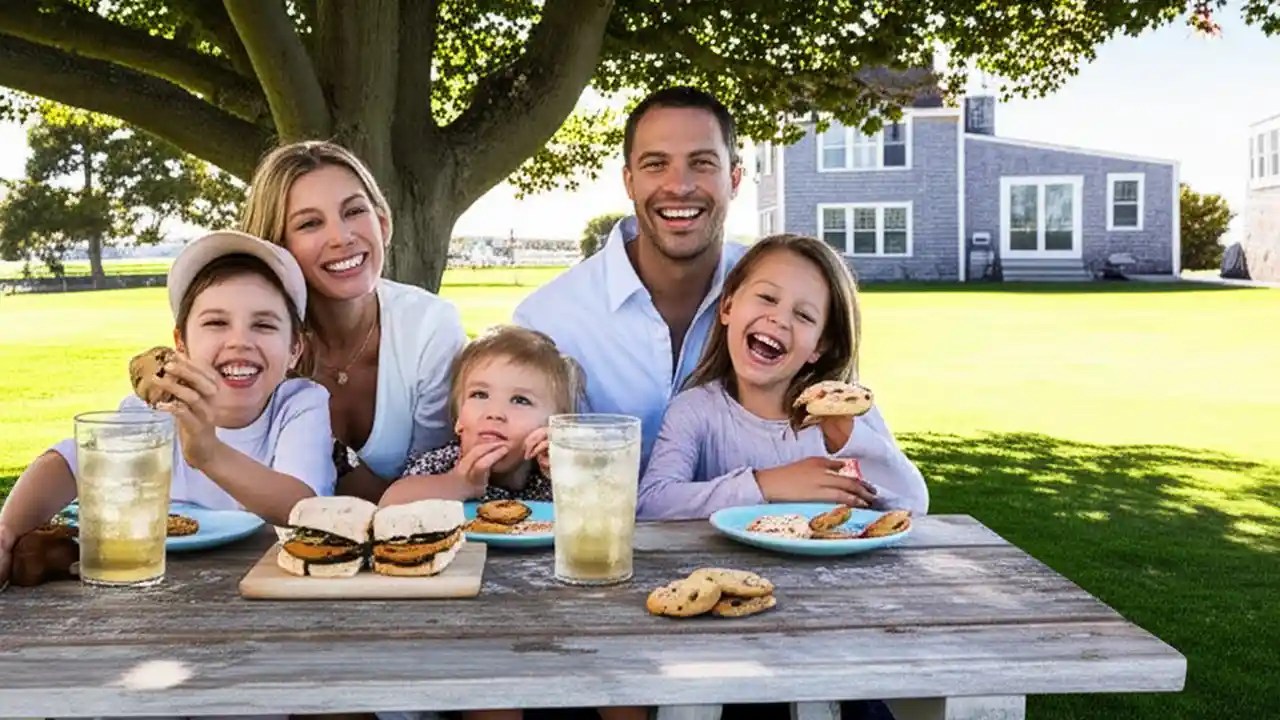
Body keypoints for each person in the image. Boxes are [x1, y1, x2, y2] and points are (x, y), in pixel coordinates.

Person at [0, 231, 337, 587]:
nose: (239, 341)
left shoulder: (299, 405)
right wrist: (7, 531)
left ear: (295, 349)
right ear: (181, 345)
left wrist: (209, 455)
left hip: (274, 584)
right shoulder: (154, 412)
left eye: (264, 324)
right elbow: (71, 463)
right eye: (216, 323)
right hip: (165, 590)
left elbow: (305, 509)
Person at [514, 86, 747, 469]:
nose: (679, 185)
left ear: (734, 179)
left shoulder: (787, 300)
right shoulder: (547, 322)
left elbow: (844, 442)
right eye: (656, 164)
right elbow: (514, 478)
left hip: (756, 527)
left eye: (702, 163)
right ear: (629, 182)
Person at [637, 233, 928, 519]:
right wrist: (766, 484)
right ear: (727, 307)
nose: (779, 319)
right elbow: (651, 505)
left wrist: (848, 439)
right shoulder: (694, 411)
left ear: (819, 346)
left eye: (804, 316)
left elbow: (913, 503)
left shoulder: (843, 418)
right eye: (766, 297)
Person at [239, 141, 467, 503]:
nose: (342, 237)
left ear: (382, 223)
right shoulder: (254, 340)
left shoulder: (429, 327)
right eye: (310, 223)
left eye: (354, 211)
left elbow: (435, 489)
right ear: (276, 248)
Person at [380, 325, 570, 506]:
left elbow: (594, 517)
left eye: (520, 400)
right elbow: (389, 504)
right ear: (459, 420)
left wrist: (566, 475)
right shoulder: (443, 465)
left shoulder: (555, 475)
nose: (494, 413)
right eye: (479, 395)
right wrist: (460, 484)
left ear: (553, 426)